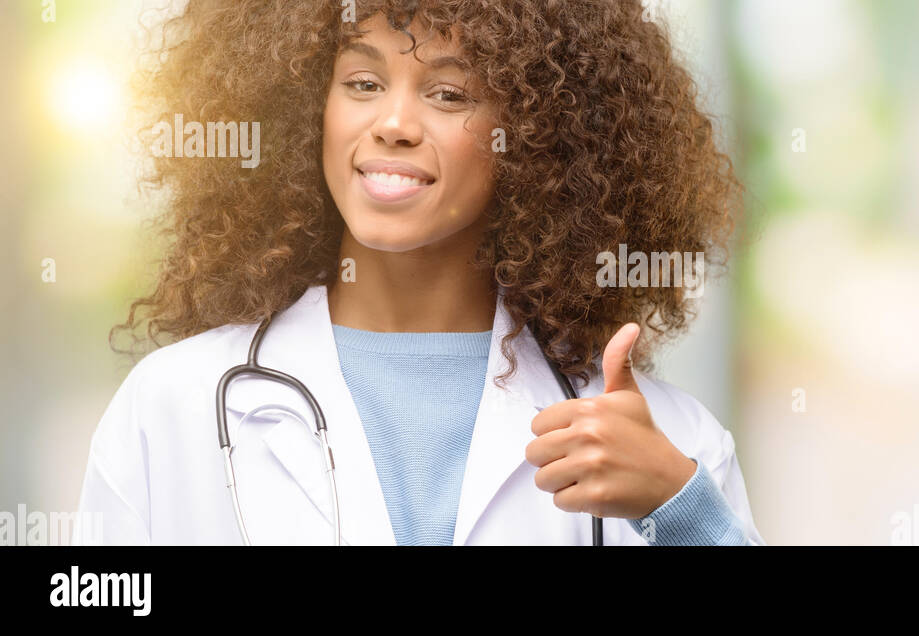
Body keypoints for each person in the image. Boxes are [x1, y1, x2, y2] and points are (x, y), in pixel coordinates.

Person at [77, 0, 762, 545]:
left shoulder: (669, 444)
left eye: (449, 93)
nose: (394, 123)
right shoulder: (173, 404)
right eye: (363, 83)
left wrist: (681, 510)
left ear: (540, 134)